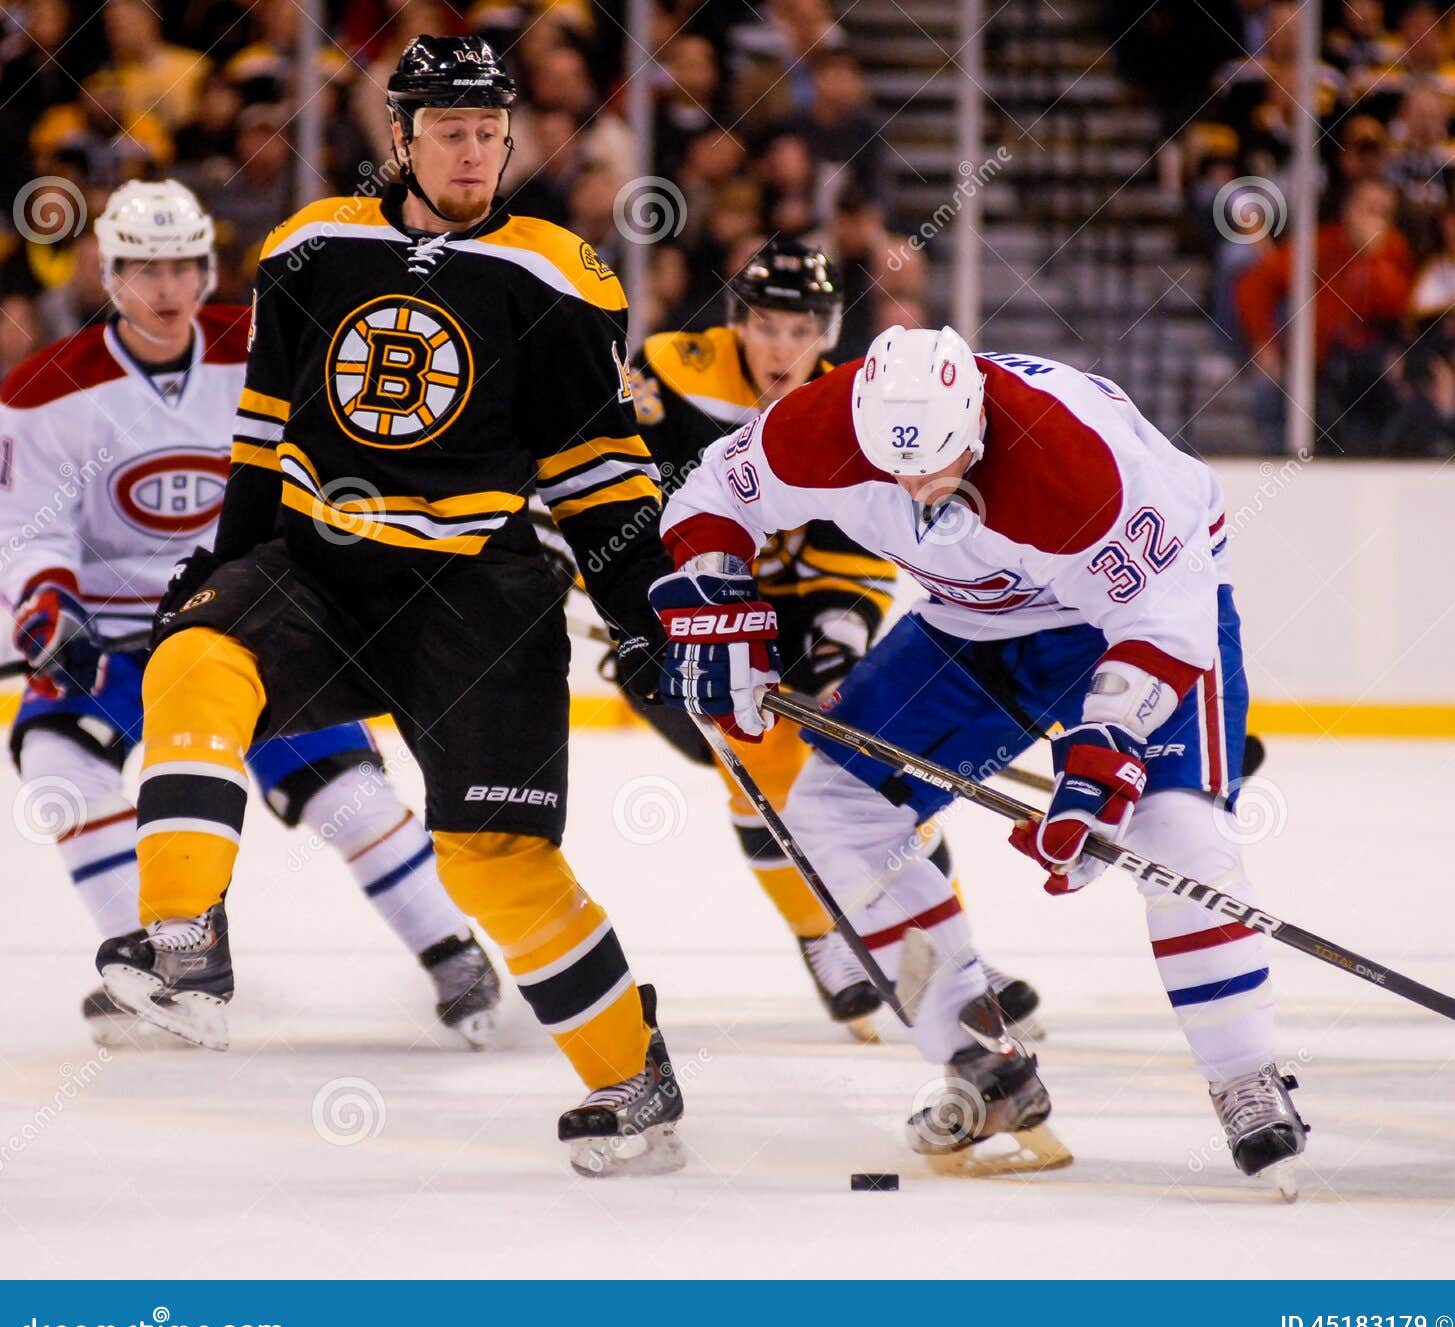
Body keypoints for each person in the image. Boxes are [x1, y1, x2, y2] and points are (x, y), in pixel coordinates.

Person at [92, 39, 683, 1176]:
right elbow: (263, 435)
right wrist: (223, 565)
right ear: (400, 139)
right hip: (319, 563)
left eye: (490, 128)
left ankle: (630, 1076)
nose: (474, 148)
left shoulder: (559, 273)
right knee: (196, 652)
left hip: (479, 589)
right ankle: (181, 943)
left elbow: (602, 475)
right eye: (450, 129)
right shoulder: (311, 246)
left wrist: (645, 615)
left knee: (492, 859)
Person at [649, 326, 1306, 1187]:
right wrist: (717, 595)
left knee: (1174, 833)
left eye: (943, 461)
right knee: (832, 813)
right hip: (977, 627)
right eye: (898, 467)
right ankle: (981, 1059)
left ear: (978, 417)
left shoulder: (1070, 460)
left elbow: (1164, 619)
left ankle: (1247, 1078)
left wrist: (1105, 758)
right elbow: (708, 498)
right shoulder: (822, 424)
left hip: (1144, 616)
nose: (920, 486)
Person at [1, 179, 500, 1049]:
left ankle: (453, 950)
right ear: (109, 275)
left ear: (206, 267)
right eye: (146, 269)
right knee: (54, 756)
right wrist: (48, 603)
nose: (168, 287)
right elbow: (23, 526)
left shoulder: (269, 347)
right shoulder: (42, 391)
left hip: (250, 613)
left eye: (185, 265)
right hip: (113, 638)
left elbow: (338, 459)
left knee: (343, 789)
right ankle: (151, 955)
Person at [545, 240, 1040, 1039]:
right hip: (677, 619)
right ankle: (827, 939)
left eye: (802, 328)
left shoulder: (851, 406)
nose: (783, 346)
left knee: (876, 765)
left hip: (786, 621)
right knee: (762, 760)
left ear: (829, 329)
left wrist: (840, 654)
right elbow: (609, 499)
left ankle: (956, 956)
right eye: (768, 326)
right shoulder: (665, 376)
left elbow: (847, 554)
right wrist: (617, 591)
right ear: (738, 321)